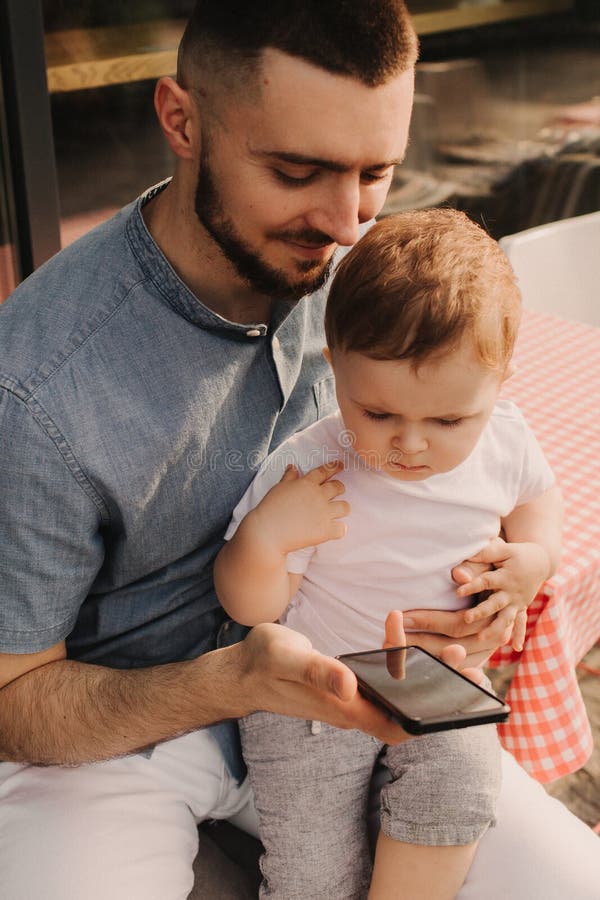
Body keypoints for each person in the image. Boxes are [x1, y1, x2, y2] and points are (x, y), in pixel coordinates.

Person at [0, 2, 597, 899]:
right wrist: (231, 683)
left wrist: (492, 588)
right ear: (181, 121)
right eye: (296, 170)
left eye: (376, 173)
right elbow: (14, 705)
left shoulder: (351, 272)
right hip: (117, 740)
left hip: (364, 687)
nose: (347, 221)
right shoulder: (39, 391)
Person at [214, 208, 561, 899]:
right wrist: (266, 537)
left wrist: (536, 561)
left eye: (447, 420)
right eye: (377, 414)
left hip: (438, 681)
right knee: (313, 866)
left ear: (502, 383)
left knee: (459, 792)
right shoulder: (312, 470)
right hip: (314, 695)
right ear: (333, 364)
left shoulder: (505, 440)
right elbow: (251, 608)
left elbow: (537, 500)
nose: (410, 444)